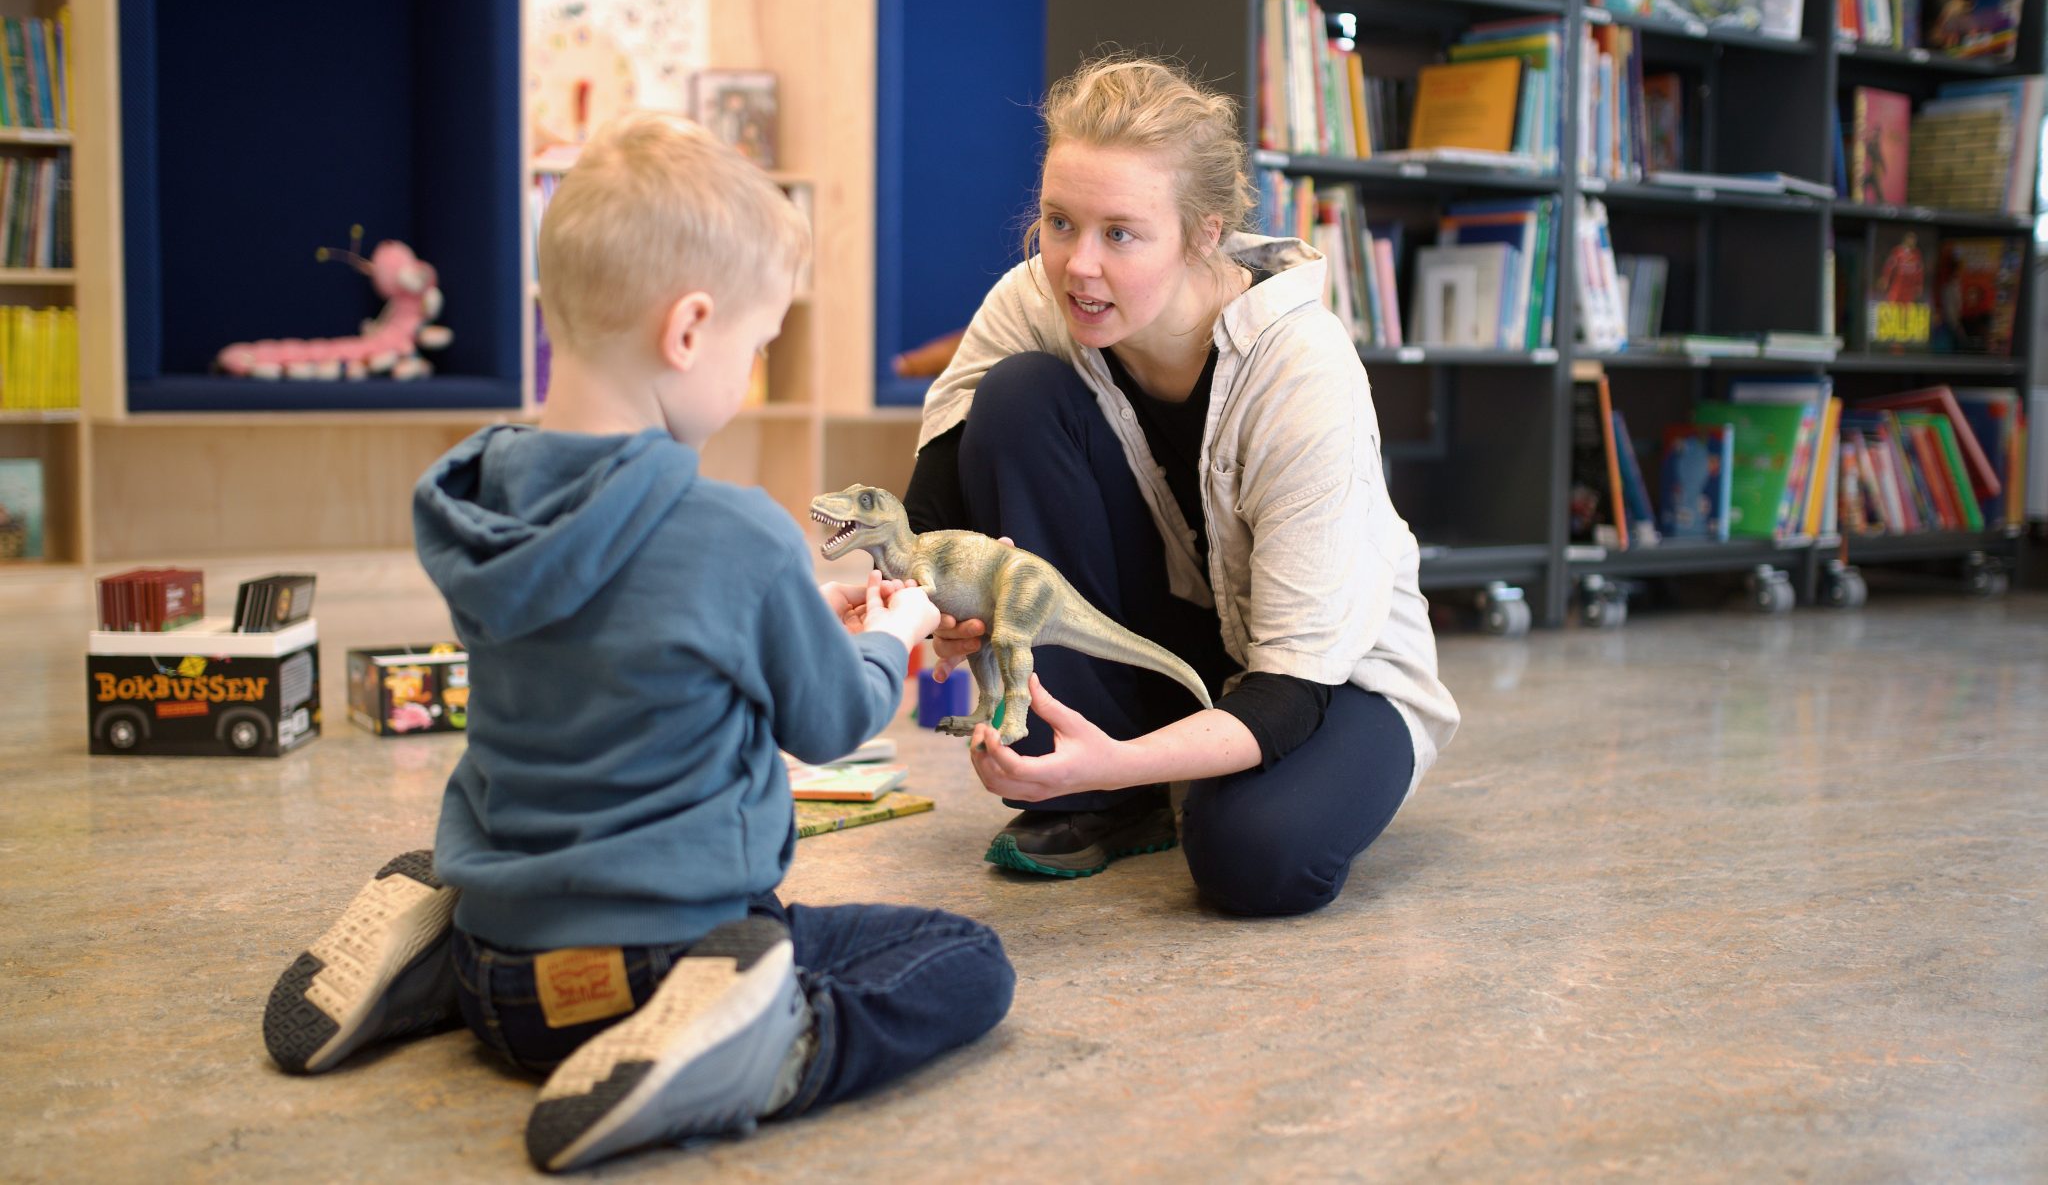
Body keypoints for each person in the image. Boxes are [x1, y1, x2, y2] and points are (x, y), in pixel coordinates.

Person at [261, 113, 1014, 1173]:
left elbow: (625, 630)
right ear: (689, 330)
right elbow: (833, 717)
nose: (752, 374)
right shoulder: (736, 529)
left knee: (468, 846)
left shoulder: (483, 499)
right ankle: (754, 1048)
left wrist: (790, 604)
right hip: (662, 965)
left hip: (502, 966)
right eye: (757, 349)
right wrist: (885, 633)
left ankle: (433, 956)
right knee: (965, 961)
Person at [906, 56, 1460, 915]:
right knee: (1013, 396)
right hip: (1172, 641)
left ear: (1204, 233)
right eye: (1059, 222)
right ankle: (1105, 802)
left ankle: (1119, 767)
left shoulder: (1301, 368)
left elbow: (1291, 684)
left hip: (1326, 675)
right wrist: (916, 607)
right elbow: (933, 506)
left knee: (1255, 859)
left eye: (1121, 233)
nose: (1078, 265)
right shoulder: (1037, 298)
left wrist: (1117, 753)